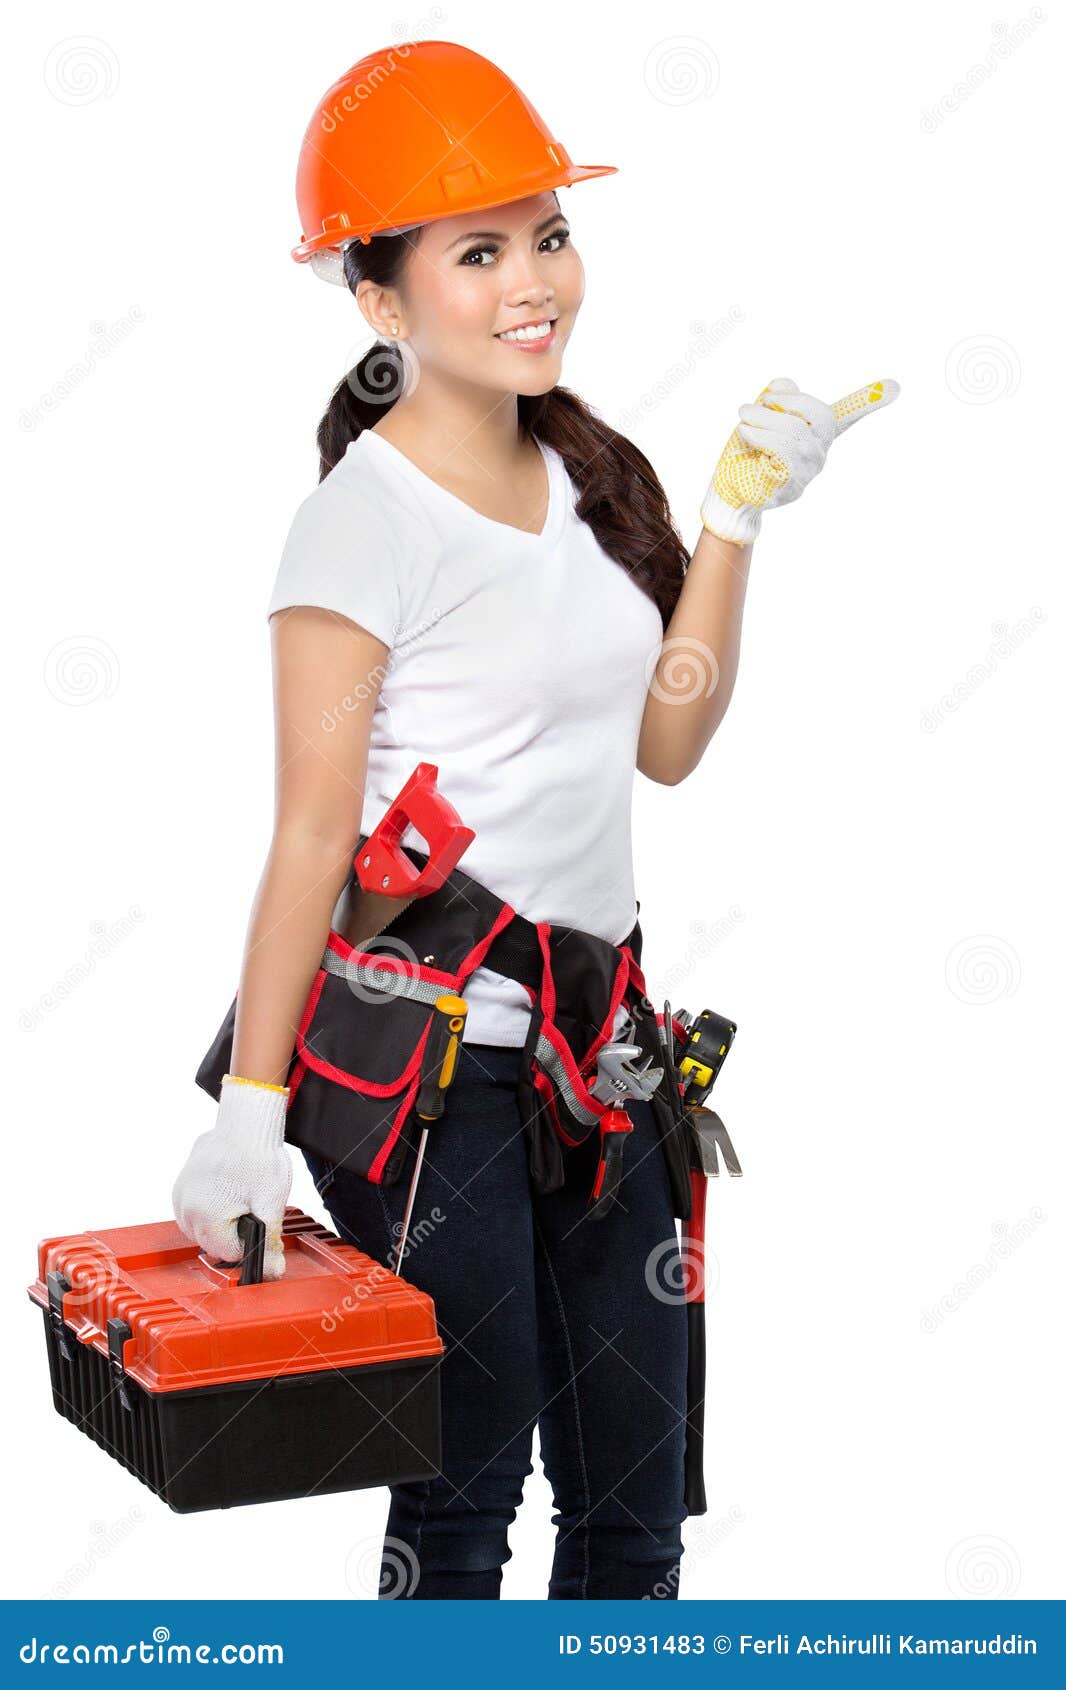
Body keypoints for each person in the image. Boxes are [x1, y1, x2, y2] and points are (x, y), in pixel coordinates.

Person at [172, 40, 898, 1600]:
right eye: (477, 250)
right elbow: (311, 836)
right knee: (462, 1494)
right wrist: (246, 1111)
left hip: (598, 1055)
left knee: (638, 1499)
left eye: (548, 234)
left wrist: (731, 520)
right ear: (377, 301)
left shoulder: (589, 470)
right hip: (424, 1075)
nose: (533, 282)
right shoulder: (357, 523)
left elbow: (667, 742)